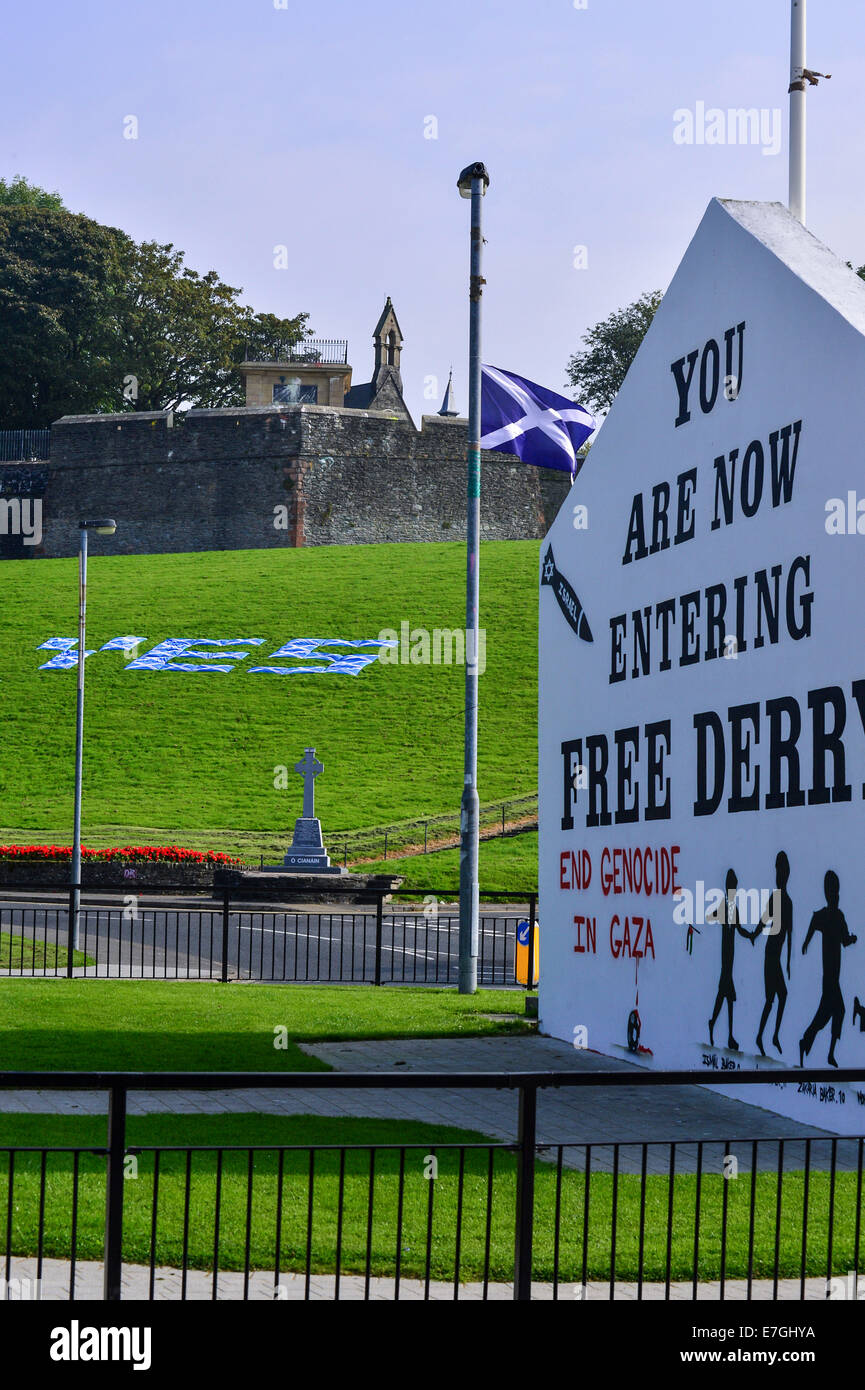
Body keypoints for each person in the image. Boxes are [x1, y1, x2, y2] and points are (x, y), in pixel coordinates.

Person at [799, 870, 857, 1068]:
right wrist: (806, 942)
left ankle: (807, 1040)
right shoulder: (823, 916)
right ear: (827, 892)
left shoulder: (838, 917)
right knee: (837, 1011)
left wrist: (852, 939)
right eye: (833, 891)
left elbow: (844, 941)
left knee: (825, 1015)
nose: (836, 895)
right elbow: (812, 924)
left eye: (837, 891)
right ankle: (825, 1051)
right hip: (829, 978)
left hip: (834, 978)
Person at [707, 868, 755, 1052]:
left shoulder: (728, 908)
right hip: (727, 961)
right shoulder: (728, 907)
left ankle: (718, 1028)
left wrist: (749, 935)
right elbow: (738, 929)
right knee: (727, 998)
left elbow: (739, 929)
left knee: (725, 998)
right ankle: (727, 1035)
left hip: (728, 960)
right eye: (732, 887)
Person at [752, 852, 793, 1056]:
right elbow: (762, 922)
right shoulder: (776, 899)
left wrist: (788, 962)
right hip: (771, 955)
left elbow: (790, 934)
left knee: (779, 997)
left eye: (782, 871)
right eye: (778, 871)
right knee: (774, 998)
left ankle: (769, 1035)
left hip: (776, 956)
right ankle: (764, 1036)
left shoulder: (786, 901)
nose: (780, 875)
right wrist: (752, 935)